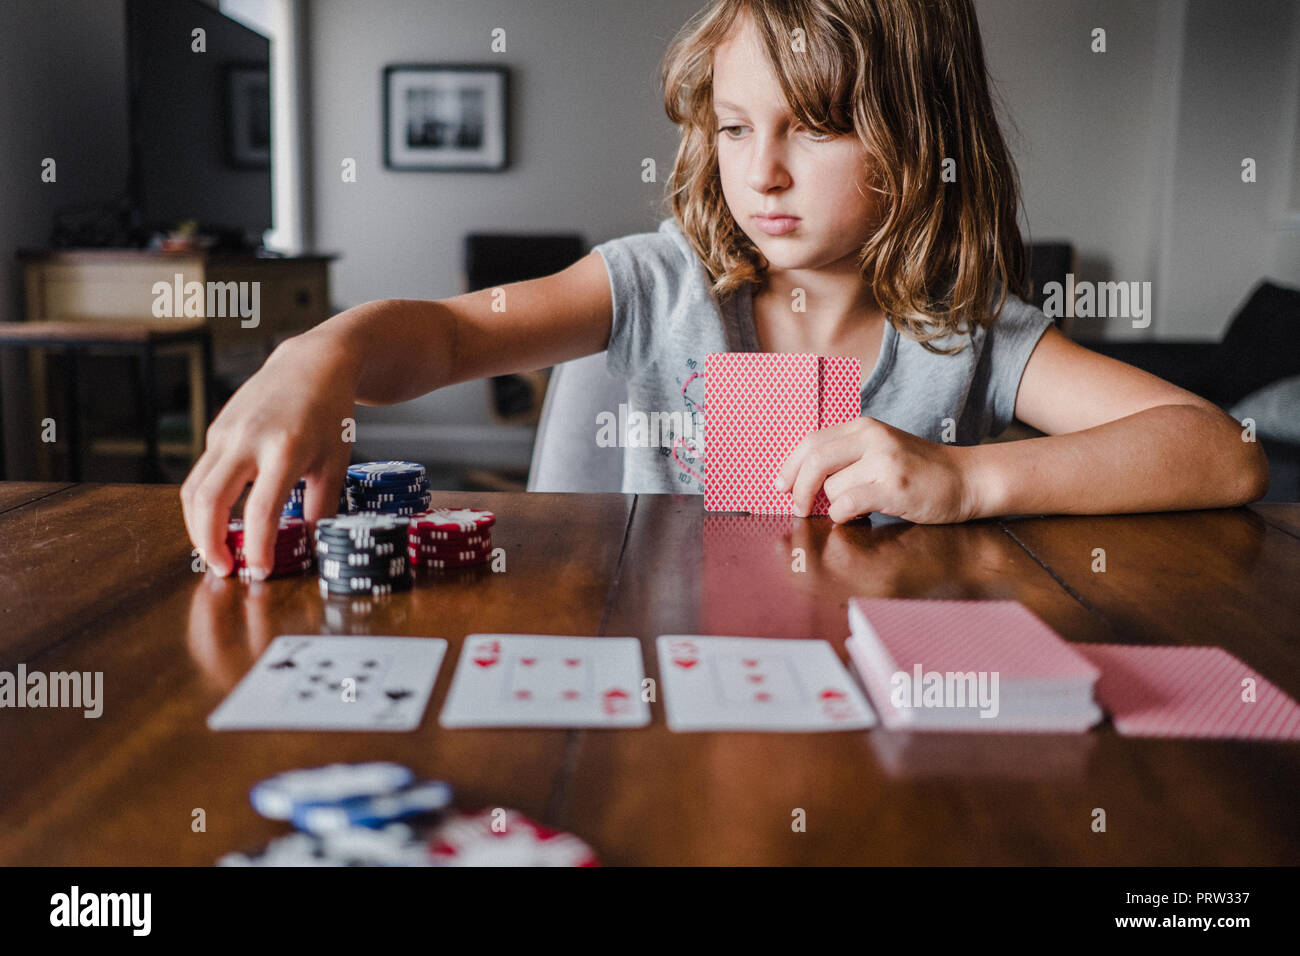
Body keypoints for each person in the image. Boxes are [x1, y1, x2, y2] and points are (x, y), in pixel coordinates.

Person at [181, 0, 1267, 580]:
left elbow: (1219, 450)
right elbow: (457, 334)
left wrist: (963, 476)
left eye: (818, 125)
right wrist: (315, 357)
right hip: (657, 704)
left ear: (921, 136)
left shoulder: (967, 330)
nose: (762, 173)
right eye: (737, 127)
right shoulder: (654, 283)